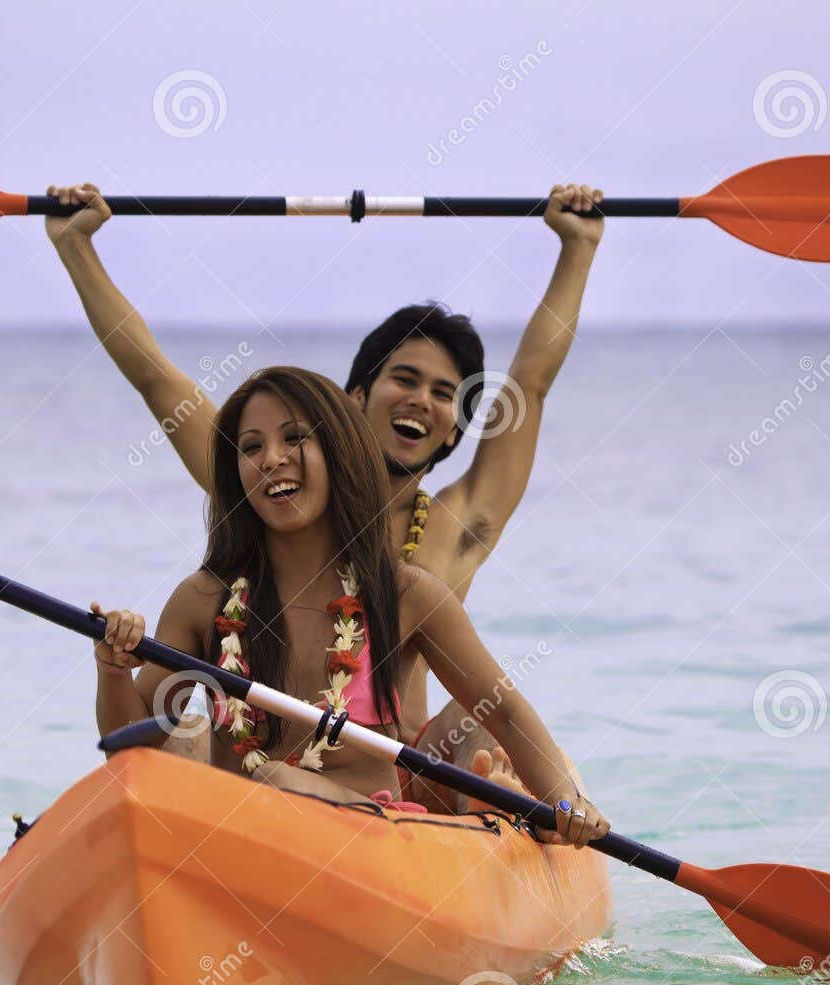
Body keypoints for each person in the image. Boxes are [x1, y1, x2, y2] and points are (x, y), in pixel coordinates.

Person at [50, 178, 603, 811]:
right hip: (256, 778)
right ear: (353, 401)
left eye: (445, 394)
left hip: (397, 781)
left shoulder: (450, 531)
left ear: (455, 426)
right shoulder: (269, 485)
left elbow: (529, 385)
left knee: (473, 723)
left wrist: (578, 248)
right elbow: (157, 380)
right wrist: (77, 248)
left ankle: (511, 823)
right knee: (188, 730)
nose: (423, 400)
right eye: (404, 378)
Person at [91, 367, 609, 848]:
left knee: (275, 776)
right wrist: (112, 668)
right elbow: (127, 746)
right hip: (239, 839)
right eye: (251, 447)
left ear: (339, 455)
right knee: (193, 745)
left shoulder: (408, 594)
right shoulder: (202, 600)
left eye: (294, 438)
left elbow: (507, 712)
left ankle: (489, 804)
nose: (272, 458)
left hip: (372, 837)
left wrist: (566, 801)